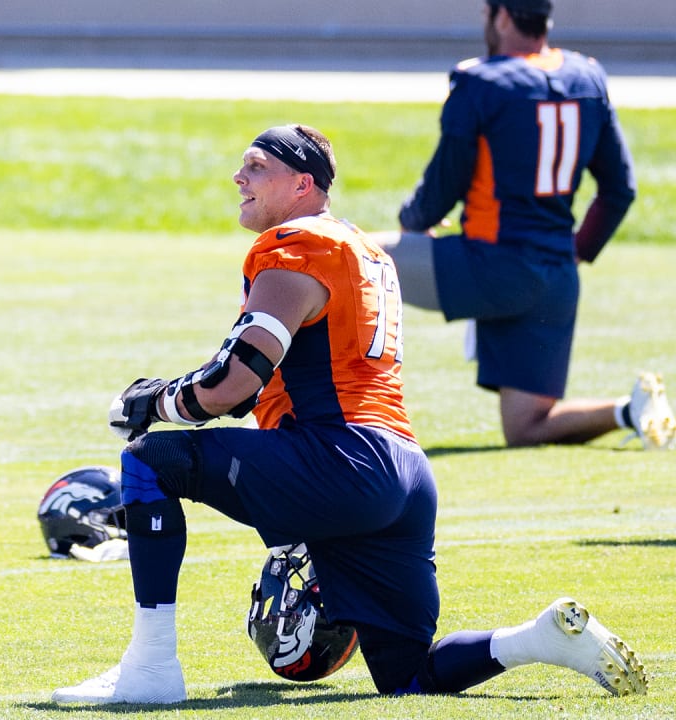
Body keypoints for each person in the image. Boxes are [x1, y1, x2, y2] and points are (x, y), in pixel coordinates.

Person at [51, 124, 647, 705]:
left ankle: (149, 668)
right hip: (405, 472)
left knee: (150, 463)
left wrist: (151, 401)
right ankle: (538, 639)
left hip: (340, 459)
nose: (239, 177)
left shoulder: (295, 246)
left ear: (303, 184)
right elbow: (286, 378)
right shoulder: (366, 252)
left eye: (257, 166)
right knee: (409, 677)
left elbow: (232, 387)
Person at [371, 0, 674, 450]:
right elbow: (620, 190)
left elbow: (441, 188)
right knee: (526, 428)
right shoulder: (587, 75)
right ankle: (629, 410)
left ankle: (304, 411)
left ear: (504, 16)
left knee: (346, 257)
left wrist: (413, 223)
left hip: (490, 265)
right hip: (554, 277)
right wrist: (577, 250)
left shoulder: (480, 81)